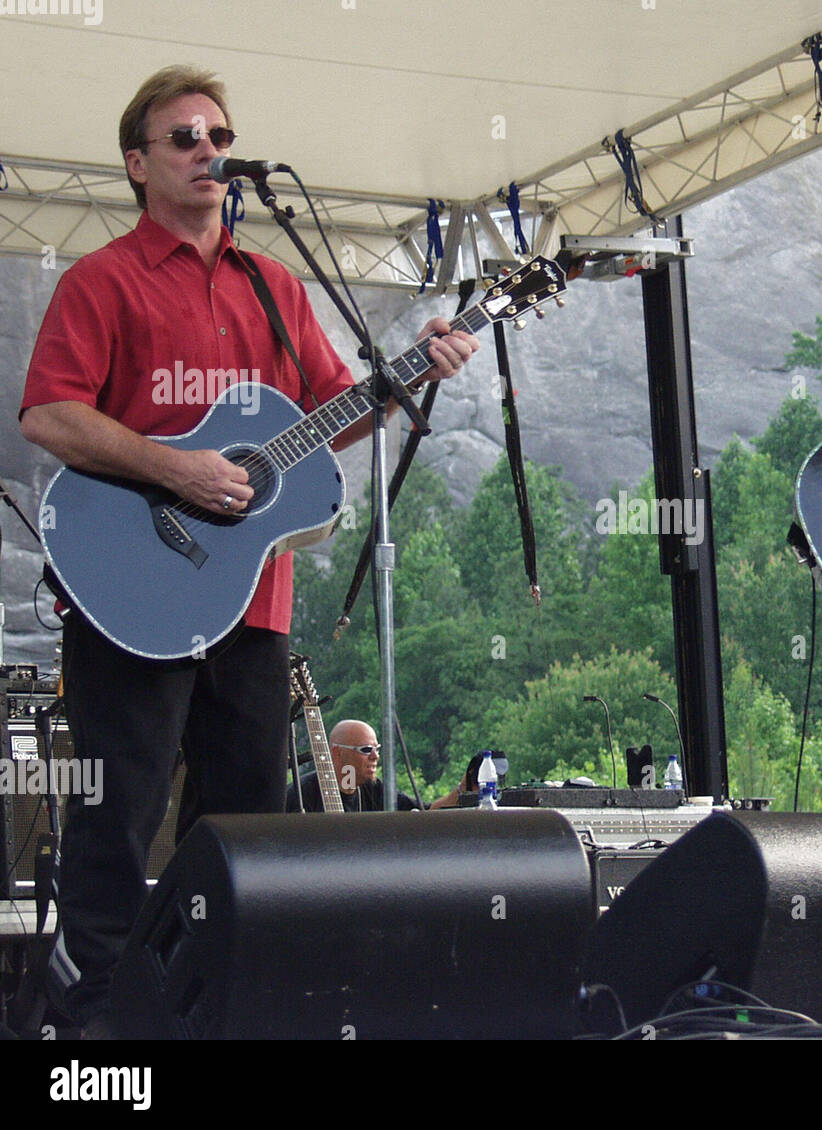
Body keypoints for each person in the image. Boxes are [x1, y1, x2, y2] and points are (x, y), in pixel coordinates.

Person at [18, 65, 478, 1033]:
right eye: (184, 138)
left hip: (250, 596)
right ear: (138, 164)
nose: (208, 152)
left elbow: (328, 419)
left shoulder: (274, 285)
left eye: (219, 135)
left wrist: (411, 374)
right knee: (119, 808)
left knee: (243, 819)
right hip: (132, 585)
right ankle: (82, 1013)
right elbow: (51, 414)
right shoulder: (104, 280)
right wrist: (176, 468)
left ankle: (209, 996)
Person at [287, 720, 495, 812]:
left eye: (377, 749)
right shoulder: (301, 794)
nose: (376, 756)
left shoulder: (375, 790)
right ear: (337, 753)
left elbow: (424, 813)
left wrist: (462, 790)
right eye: (366, 750)